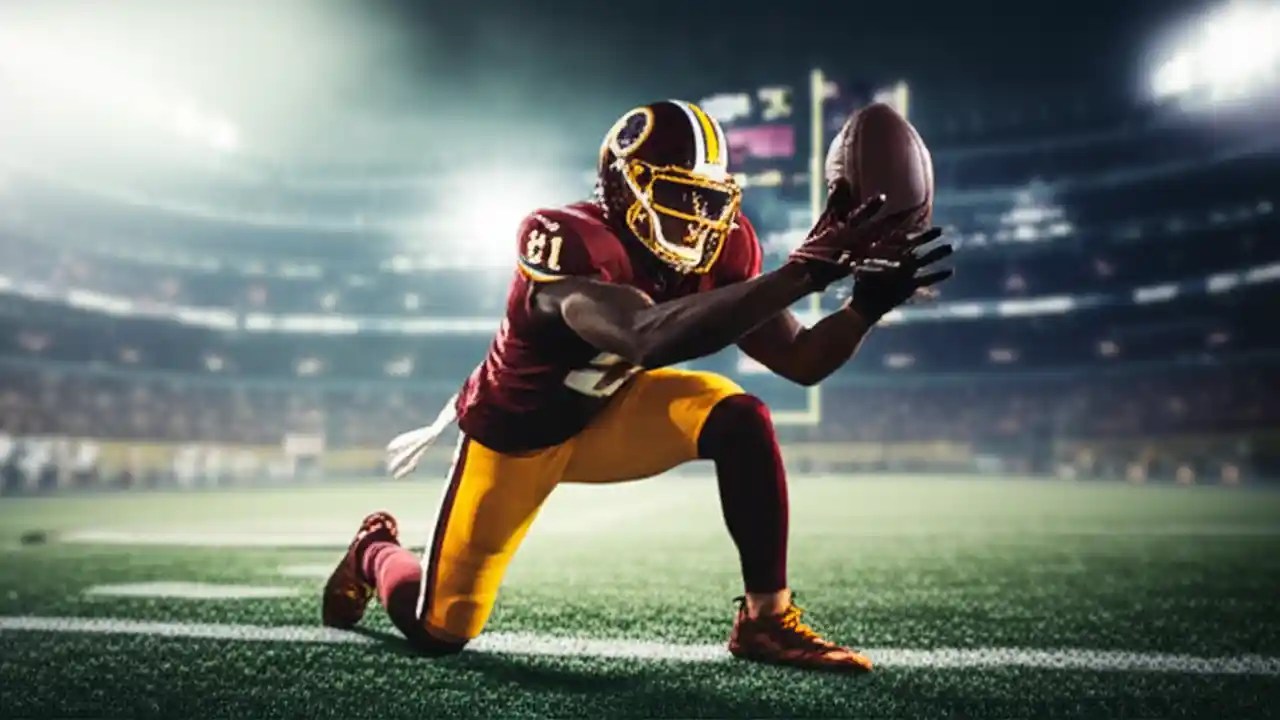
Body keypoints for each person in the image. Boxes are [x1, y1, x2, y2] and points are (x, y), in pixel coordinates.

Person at [323, 100, 951, 672]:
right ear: (621, 186)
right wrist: (801, 274)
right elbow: (645, 336)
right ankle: (376, 550)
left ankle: (766, 622)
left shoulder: (724, 247)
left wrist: (865, 307)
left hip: (607, 416)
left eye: (709, 200)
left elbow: (802, 358)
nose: (697, 217)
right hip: (514, 439)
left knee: (739, 417)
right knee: (440, 629)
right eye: (678, 195)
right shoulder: (569, 238)